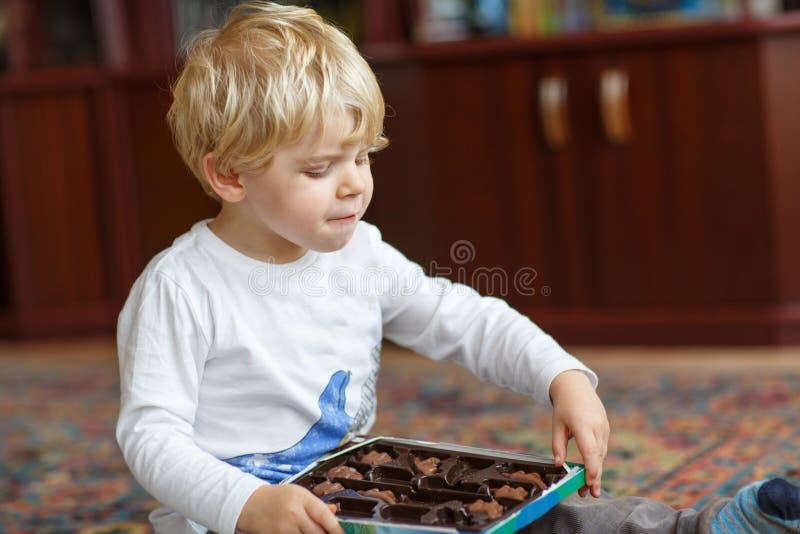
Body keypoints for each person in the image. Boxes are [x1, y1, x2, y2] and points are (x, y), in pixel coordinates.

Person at [115, 3, 799, 534]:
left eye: (364, 156)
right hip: (237, 523)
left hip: (358, 499)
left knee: (536, 516)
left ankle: (698, 527)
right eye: (321, 168)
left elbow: (462, 318)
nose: (354, 184)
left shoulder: (361, 253)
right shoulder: (181, 290)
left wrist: (559, 375)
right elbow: (151, 437)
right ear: (229, 175)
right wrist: (249, 504)